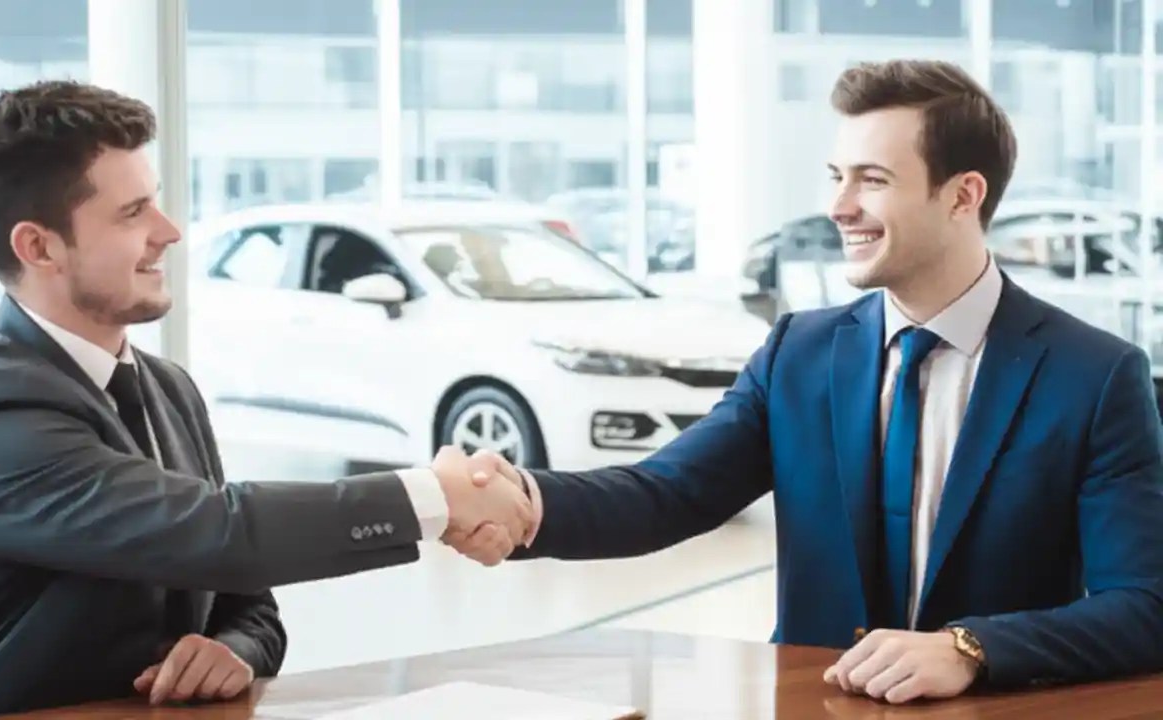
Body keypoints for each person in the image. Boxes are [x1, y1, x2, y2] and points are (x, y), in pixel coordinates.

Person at [448, 59, 1163, 704]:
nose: (839, 206)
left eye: (872, 180)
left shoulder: (1095, 377)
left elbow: (1144, 606)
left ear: (962, 195)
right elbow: (666, 494)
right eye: (836, 176)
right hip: (815, 705)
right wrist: (525, 503)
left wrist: (969, 649)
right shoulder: (800, 352)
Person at [0, 80, 534, 719]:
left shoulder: (168, 388)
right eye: (133, 213)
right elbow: (220, 532)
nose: (169, 231)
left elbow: (248, 603)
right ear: (39, 246)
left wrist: (235, 650)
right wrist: (433, 497)